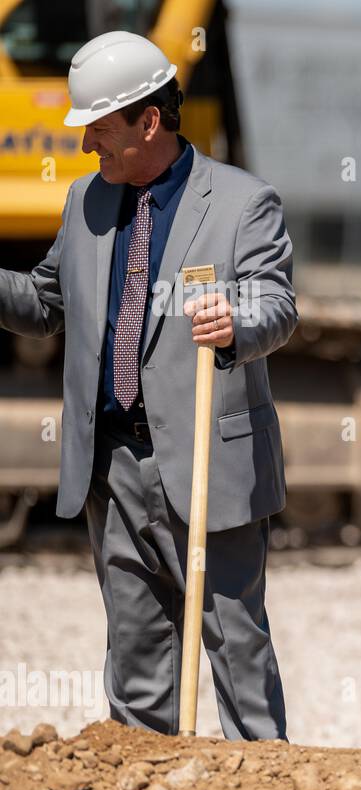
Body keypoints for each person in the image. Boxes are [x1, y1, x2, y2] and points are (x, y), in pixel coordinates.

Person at [0, 32, 298, 740]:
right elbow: (45, 304)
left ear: (149, 121)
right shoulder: (84, 203)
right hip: (115, 469)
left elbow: (276, 306)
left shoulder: (242, 202)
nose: (85, 147)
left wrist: (235, 321)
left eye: (98, 130)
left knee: (238, 648)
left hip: (207, 465)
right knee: (135, 657)